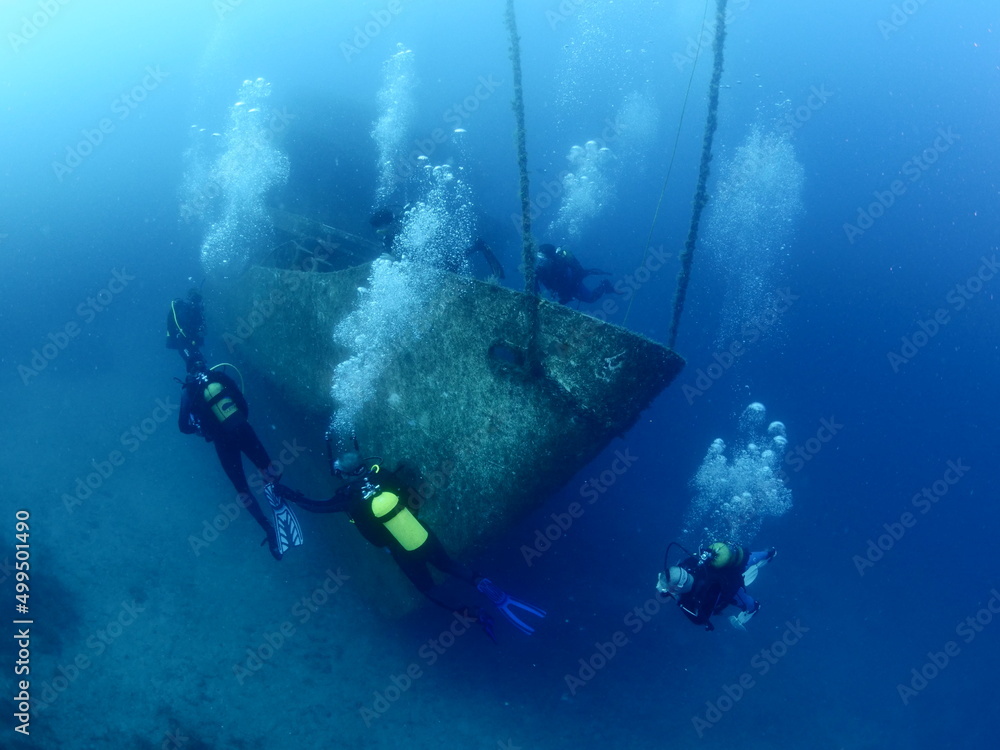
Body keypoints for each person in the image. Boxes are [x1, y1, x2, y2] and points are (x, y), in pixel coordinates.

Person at [278, 448, 545, 640]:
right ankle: (482, 584)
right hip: (420, 533)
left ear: (343, 474)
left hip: (399, 549)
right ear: (362, 463)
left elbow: (314, 507)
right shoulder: (380, 474)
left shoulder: (347, 497)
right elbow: (408, 493)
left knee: (429, 589)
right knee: (450, 565)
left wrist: (287, 493)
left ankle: (475, 613)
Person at [167, 289, 303, 561]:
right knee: (267, 467)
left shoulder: (188, 390)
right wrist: (238, 421)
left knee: (242, 488)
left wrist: (203, 429)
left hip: (222, 441)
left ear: (188, 368)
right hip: (243, 429)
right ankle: (279, 496)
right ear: (204, 362)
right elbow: (242, 402)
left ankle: (267, 528)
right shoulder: (220, 374)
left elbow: (183, 426)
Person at [657, 542, 776, 631]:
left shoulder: (693, 600)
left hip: (731, 586)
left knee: (747, 603)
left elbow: (700, 620)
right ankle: (769, 554)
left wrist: (677, 600)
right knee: (749, 558)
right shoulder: (689, 564)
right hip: (730, 566)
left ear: (677, 588)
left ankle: (754, 608)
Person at [535, 243, 617, 305]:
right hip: (562, 289)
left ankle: (604, 286)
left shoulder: (560, 266)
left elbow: (569, 282)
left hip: (574, 286)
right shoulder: (542, 269)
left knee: (590, 299)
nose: (540, 262)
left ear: (551, 259)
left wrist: (566, 297)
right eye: (539, 258)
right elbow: (536, 285)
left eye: (543, 259)